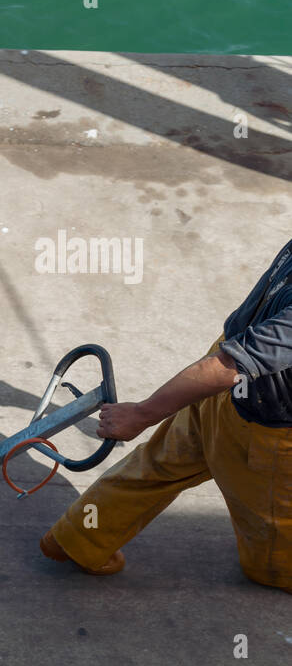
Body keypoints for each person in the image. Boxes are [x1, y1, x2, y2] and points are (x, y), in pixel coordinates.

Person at [41, 237, 292, 591]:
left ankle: (78, 538)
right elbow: (229, 366)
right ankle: (276, 570)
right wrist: (142, 414)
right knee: (276, 529)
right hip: (262, 419)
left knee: (159, 465)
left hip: (215, 389)